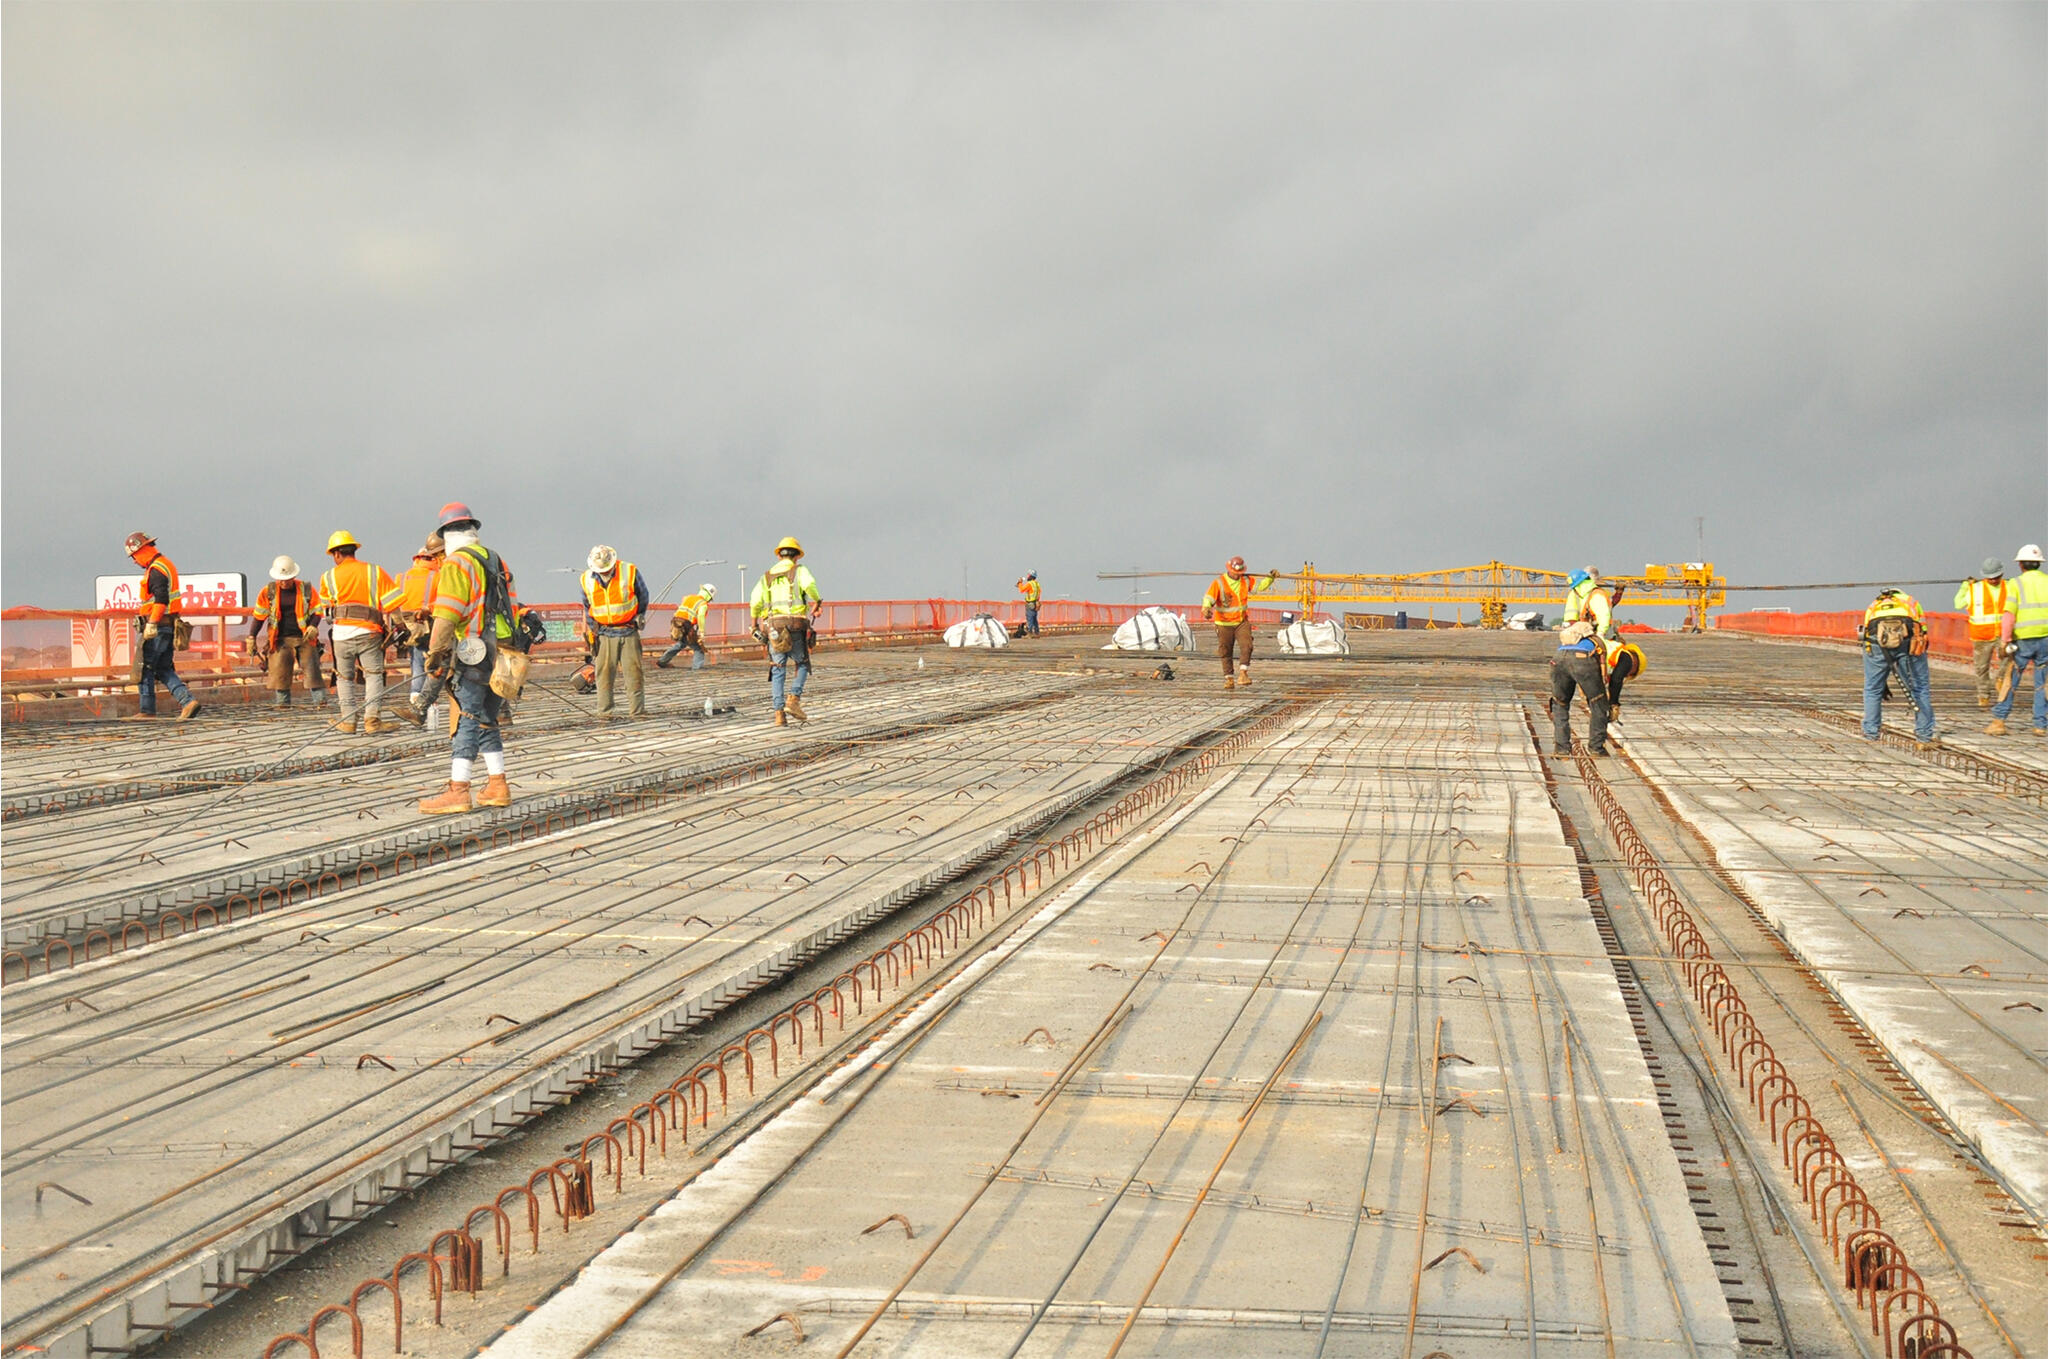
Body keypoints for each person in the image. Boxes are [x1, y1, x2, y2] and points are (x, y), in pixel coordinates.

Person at [404, 503, 519, 812]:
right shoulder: (494, 558)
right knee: (486, 717)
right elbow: (512, 605)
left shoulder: (456, 564)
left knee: (467, 715)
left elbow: (447, 615)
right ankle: (497, 785)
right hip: (505, 650)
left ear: (446, 535)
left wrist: (436, 654)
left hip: (475, 650)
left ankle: (458, 789)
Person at [317, 531, 403, 734]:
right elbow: (392, 603)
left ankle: (348, 722)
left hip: (341, 635)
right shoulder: (375, 571)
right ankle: (372, 721)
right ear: (354, 550)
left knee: (344, 677)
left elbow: (326, 612)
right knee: (373, 675)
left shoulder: (328, 577)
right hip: (369, 632)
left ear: (336, 554)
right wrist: (400, 625)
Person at [121, 531, 202, 721]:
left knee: (146, 667)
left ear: (141, 550)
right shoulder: (166, 564)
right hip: (168, 626)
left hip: (158, 626)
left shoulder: (156, 569)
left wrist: (152, 623)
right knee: (163, 668)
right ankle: (187, 701)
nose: (134, 561)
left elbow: (161, 599)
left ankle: (147, 710)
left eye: (133, 556)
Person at [750, 536, 822, 725]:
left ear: (780, 555)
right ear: (797, 556)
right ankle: (794, 699)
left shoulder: (766, 576)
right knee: (802, 663)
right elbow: (809, 586)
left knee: (777, 668)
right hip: (795, 625)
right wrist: (817, 601)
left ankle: (779, 715)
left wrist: (754, 624)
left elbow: (755, 601)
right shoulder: (800, 570)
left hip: (774, 626)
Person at [1860, 588, 1936, 749]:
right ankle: (1924, 737)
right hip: (1906, 641)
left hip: (1876, 642)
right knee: (1919, 688)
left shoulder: (1875, 605)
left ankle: (1870, 734)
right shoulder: (1910, 601)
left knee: (1873, 689)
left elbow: (1866, 631)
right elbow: (1922, 628)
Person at [580, 544, 649, 718]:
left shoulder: (629, 571)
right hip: (604, 634)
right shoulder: (586, 579)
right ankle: (605, 714)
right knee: (603, 675)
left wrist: (636, 616)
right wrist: (593, 628)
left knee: (634, 674)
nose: (604, 572)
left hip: (628, 631)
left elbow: (643, 595)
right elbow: (587, 606)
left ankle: (637, 712)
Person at [1987, 544, 2048, 738]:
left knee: (2011, 679)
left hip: (2023, 640)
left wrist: (2005, 641)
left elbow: (2009, 615)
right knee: (2042, 683)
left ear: (2021, 564)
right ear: (2039, 564)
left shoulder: (2015, 584)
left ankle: (1999, 721)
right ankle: (2040, 725)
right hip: (2046, 639)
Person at [249, 555, 326, 708]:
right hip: (280, 639)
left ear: (294, 575)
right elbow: (259, 617)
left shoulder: (306, 589)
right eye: (281, 579)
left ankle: (321, 703)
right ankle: (283, 707)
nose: (284, 582)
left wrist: (313, 626)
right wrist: (252, 637)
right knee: (280, 674)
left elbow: (318, 611)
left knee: (312, 671)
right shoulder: (268, 592)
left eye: (287, 579)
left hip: (304, 637)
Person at [1201, 556, 1278, 688]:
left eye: (1239, 573)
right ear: (1229, 570)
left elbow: (1260, 586)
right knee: (1225, 651)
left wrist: (1271, 578)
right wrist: (1206, 608)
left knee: (1247, 645)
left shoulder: (1245, 581)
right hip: (1224, 624)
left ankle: (1243, 674)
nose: (1237, 575)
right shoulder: (1219, 583)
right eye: (1235, 572)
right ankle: (1229, 678)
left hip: (1241, 621)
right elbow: (1209, 598)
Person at [1956, 559, 2012, 710]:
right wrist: (1964, 587)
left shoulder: (2010, 587)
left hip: (2003, 634)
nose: (1993, 580)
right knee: (1981, 668)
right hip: (1981, 636)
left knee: (2008, 662)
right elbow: (1958, 603)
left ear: (2002, 574)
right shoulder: (1975, 588)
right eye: (1990, 577)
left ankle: (2000, 680)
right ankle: (1983, 696)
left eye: (1996, 576)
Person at [1549, 618, 1610, 756]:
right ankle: (1596, 748)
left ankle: (1561, 749)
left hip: (1558, 659)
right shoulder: (1596, 641)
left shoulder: (1566, 642)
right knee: (1598, 703)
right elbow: (1604, 669)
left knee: (1560, 703)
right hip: (1583, 660)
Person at [395, 534, 445, 700]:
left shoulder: (400, 578)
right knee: (427, 661)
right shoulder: (437, 576)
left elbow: (392, 604)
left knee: (416, 659)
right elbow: (442, 603)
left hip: (405, 626)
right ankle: (423, 698)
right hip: (427, 625)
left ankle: (417, 695)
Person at [658, 583, 717, 669]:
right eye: (710, 599)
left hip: (675, 623)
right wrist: (702, 633)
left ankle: (662, 661)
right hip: (686, 626)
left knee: (681, 644)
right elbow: (700, 617)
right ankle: (697, 669)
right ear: (708, 596)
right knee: (698, 649)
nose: (709, 601)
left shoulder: (689, 597)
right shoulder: (703, 604)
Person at [1601, 636, 1647, 732]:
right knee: (1597, 707)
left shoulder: (1617, 650)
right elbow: (1616, 680)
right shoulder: (1628, 659)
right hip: (1588, 659)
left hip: (1574, 652)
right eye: (1632, 673)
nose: (1627, 674)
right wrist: (1614, 704)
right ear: (1635, 664)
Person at [1016, 571, 1041, 636]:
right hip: (1035, 603)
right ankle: (1037, 633)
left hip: (1030, 604)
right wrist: (1038, 601)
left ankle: (1029, 633)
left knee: (1029, 618)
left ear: (1030, 576)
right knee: (1034, 619)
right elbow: (1039, 593)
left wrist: (1020, 583)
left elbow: (1021, 590)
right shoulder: (1036, 584)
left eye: (1028, 575)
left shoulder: (1029, 584)